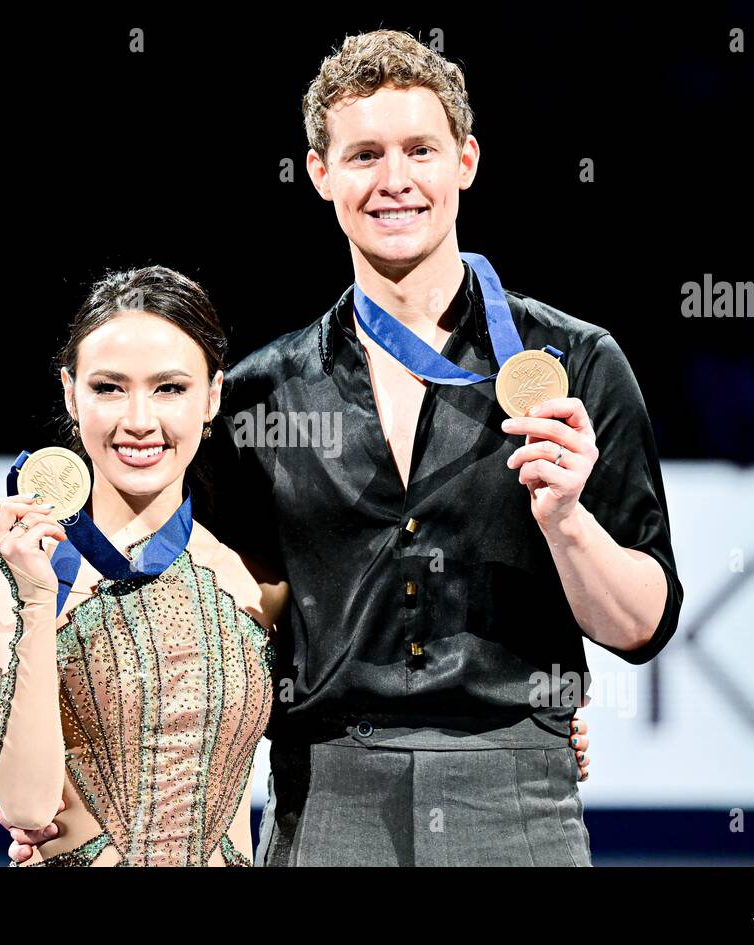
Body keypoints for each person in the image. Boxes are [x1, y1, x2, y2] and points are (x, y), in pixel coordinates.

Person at [214, 29, 683, 866]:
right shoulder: (262, 393)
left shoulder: (574, 364)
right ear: (320, 174)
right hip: (323, 799)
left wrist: (569, 521)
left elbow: (642, 625)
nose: (394, 180)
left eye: (419, 150)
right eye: (364, 155)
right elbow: (229, 618)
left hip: (515, 792)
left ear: (465, 160)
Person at [0, 265, 288, 866]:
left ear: (212, 396)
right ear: (70, 392)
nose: (139, 420)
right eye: (109, 387)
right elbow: (27, 807)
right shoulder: (3, 574)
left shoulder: (254, 576)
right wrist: (34, 601)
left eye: (170, 389)